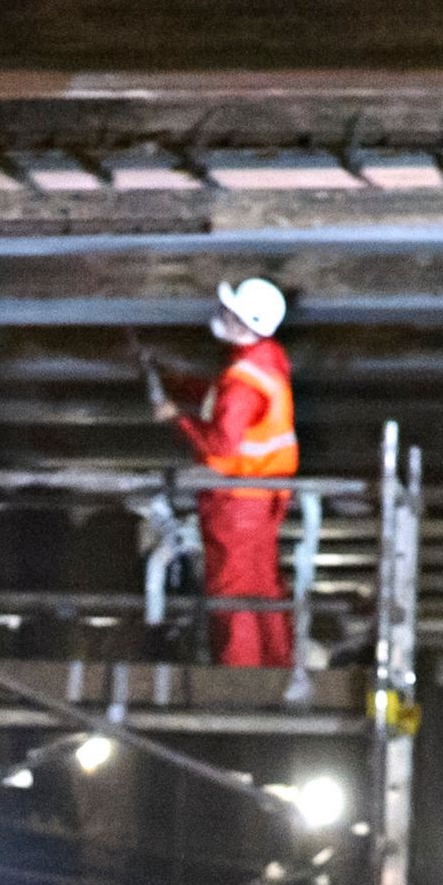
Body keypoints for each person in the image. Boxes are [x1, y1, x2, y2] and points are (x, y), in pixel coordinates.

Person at [157, 276, 299, 666]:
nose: (222, 315)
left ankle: (241, 680)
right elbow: (231, 399)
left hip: (235, 503)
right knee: (263, 589)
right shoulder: (267, 359)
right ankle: (278, 670)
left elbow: (222, 443)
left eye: (230, 311)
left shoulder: (242, 382)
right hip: (264, 497)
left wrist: (177, 419)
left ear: (246, 322)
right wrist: (184, 386)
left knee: (232, 593)